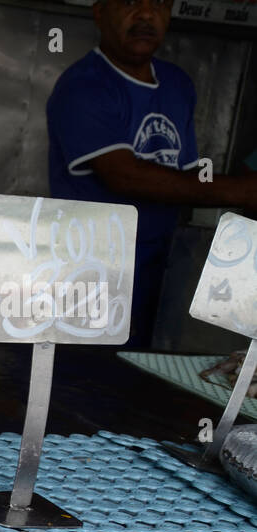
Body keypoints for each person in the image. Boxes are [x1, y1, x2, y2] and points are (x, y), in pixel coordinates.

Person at [47, 0, 257, 347]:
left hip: (159, 267)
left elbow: (189, 176)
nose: (146, 14)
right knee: (81, 380)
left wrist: (236, 196)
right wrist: (241, 191)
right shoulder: (82, 86)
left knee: (142, 380)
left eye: (158, 2)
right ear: (100, 12)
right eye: (129, 2)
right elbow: (124, 176)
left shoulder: (177, 84)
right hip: (90, 271)